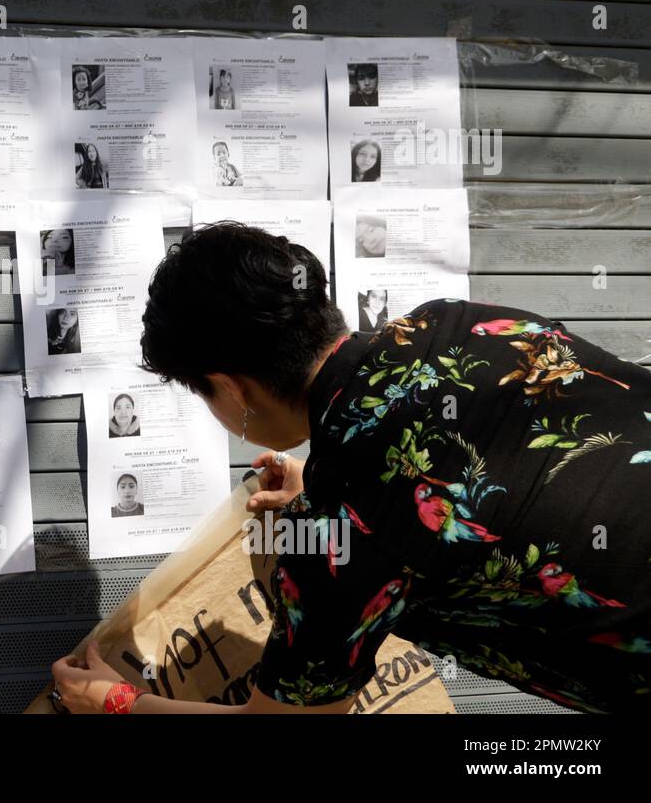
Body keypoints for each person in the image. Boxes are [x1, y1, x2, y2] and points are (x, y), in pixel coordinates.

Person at [51, 220, 651, 714]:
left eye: (202, 395)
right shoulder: (452, 321)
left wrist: (115, 700)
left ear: (231, 389)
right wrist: (326, 509)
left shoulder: (343, 522)